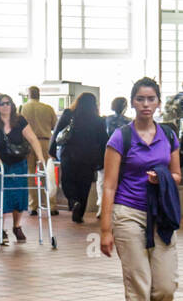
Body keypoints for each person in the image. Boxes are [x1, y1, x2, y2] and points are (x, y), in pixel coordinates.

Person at [100, 77, 181, 301]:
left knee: (166, 287)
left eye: (151, 99)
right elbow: (108, 186)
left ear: (159, 102)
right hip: (127, 214)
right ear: (132, 102)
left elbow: (177, 175)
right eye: (140, 99)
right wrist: (105, 229)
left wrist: (162, 178)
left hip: (160, 215)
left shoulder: (169, 136)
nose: (146, 105)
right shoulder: (120, 137)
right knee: (139, 286)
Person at [0, 92, 47, 245]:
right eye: (2, 104)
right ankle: (1, 231)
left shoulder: (19, 121)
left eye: (8, 103)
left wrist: (40, 157)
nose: (6, 106)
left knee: (19, 196)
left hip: (19, 163)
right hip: (2, 164)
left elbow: (32, 138)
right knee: (0, 198)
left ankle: (16, 226)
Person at [49, 91, 107, 222]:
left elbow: (57, 132)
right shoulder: (98, 120)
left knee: (68, 182)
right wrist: (103, 159)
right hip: (89, 157)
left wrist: (52, 150)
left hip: (69, 154)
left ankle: (73, 201)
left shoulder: (69, 114)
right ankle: (79, 214)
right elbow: (104, 140)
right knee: (84, 185)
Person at [18, 86, 58, 215]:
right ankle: (51, 205)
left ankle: (33, 206)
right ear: (38, 94)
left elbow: (17, 127)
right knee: (47, 173)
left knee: (30, 174)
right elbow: (54, 126)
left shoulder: (22, 108)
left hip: (27, 143)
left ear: (28, 95)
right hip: (45, 142)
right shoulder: (48, 108)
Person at [97, 96, 131, 216]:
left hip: (105, 153)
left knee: (102, 181)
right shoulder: (129, 122)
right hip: (122, 154)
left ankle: (102, 207)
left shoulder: (105, 120)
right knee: (118, 181)